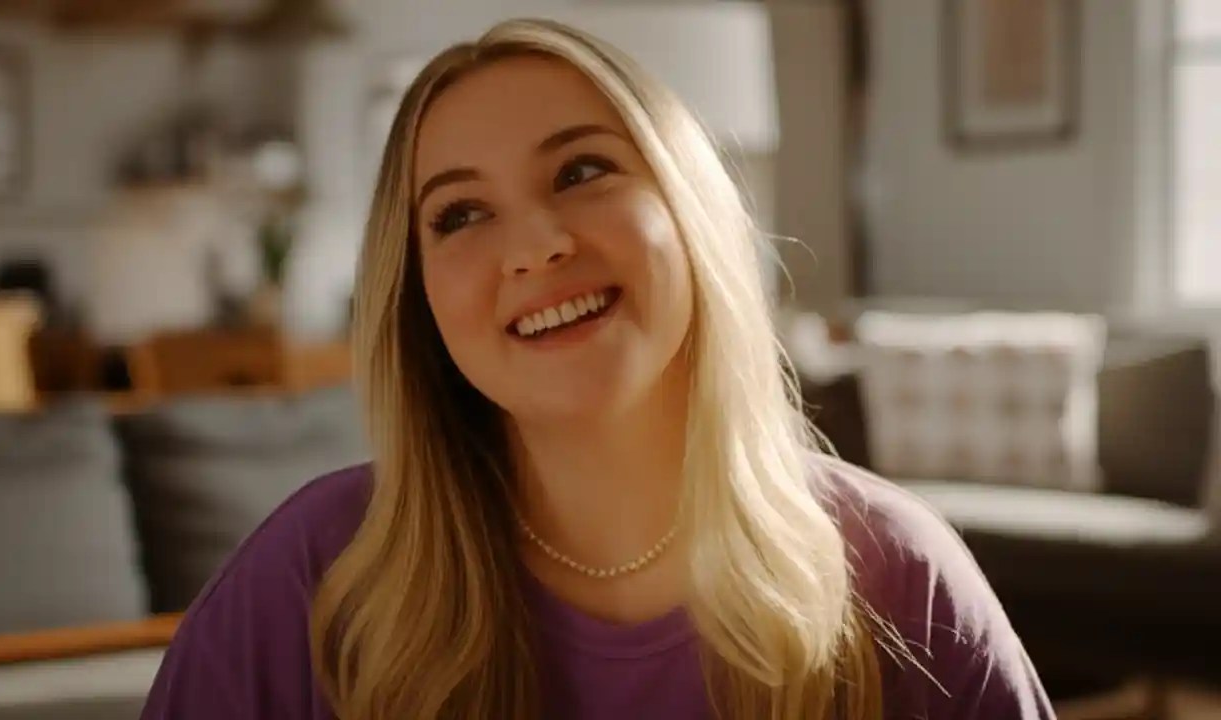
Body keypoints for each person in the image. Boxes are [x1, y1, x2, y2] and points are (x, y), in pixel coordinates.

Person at [141, 18, 1054, 720]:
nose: (535, 246)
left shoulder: (899, 573)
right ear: (415, 298)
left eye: (581, 170)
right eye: (459, 215)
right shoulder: (315, 577)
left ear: (690, 213)